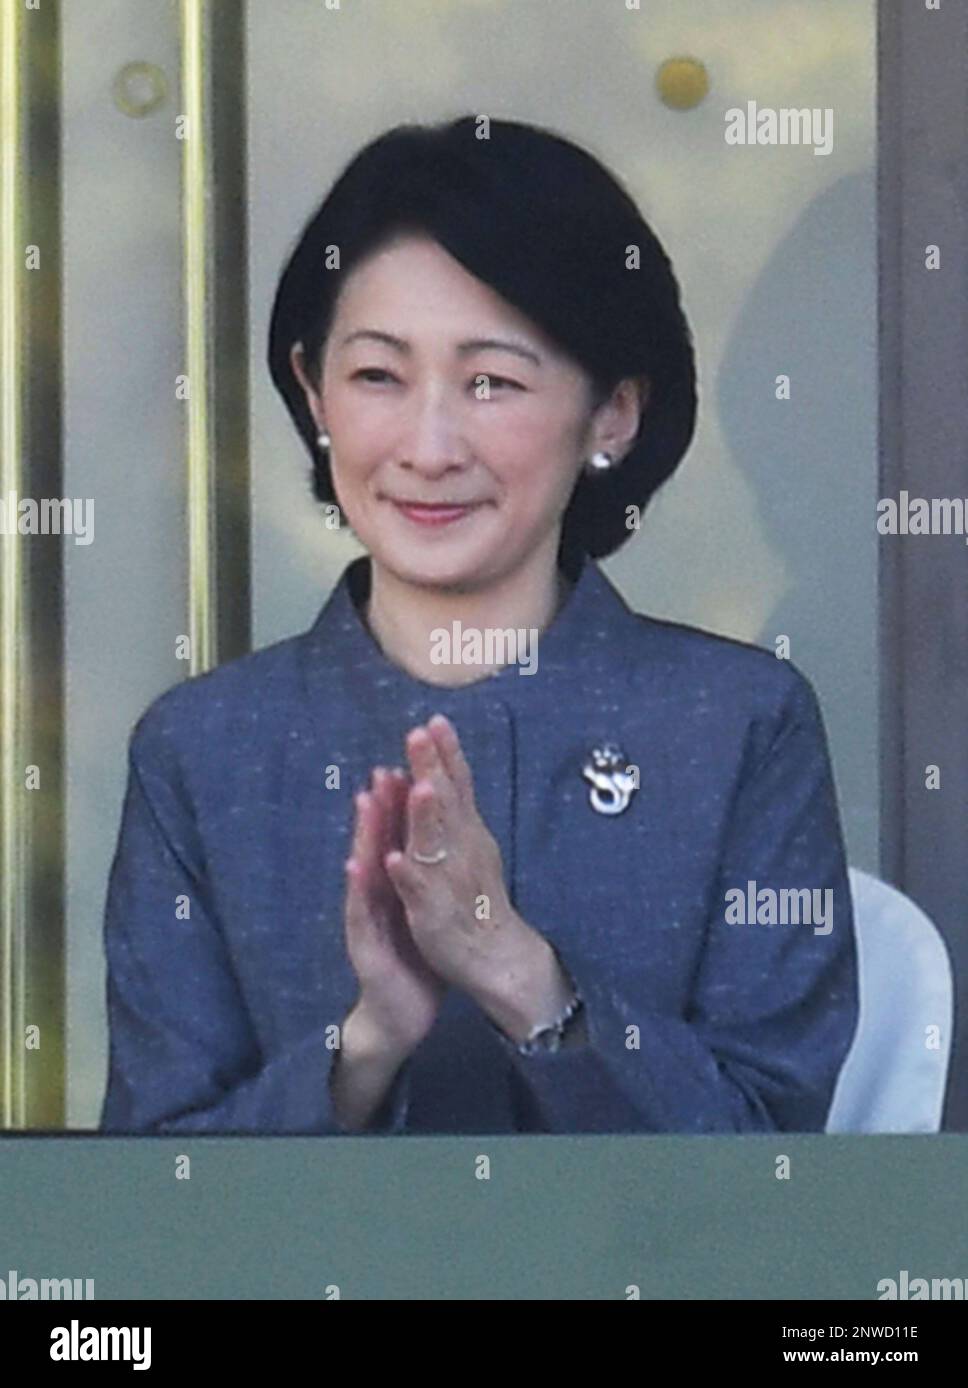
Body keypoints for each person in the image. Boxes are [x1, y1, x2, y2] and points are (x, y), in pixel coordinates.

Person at [99, 114, 859, 1136]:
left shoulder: (736, 725)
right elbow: (152, 1203)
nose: (427, 444)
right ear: (309, 390)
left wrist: (520, 975)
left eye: (491, 381)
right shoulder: (201, 751)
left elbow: (773, 1169)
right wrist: (365, 1045)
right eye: (376, 375)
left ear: (613, 414)